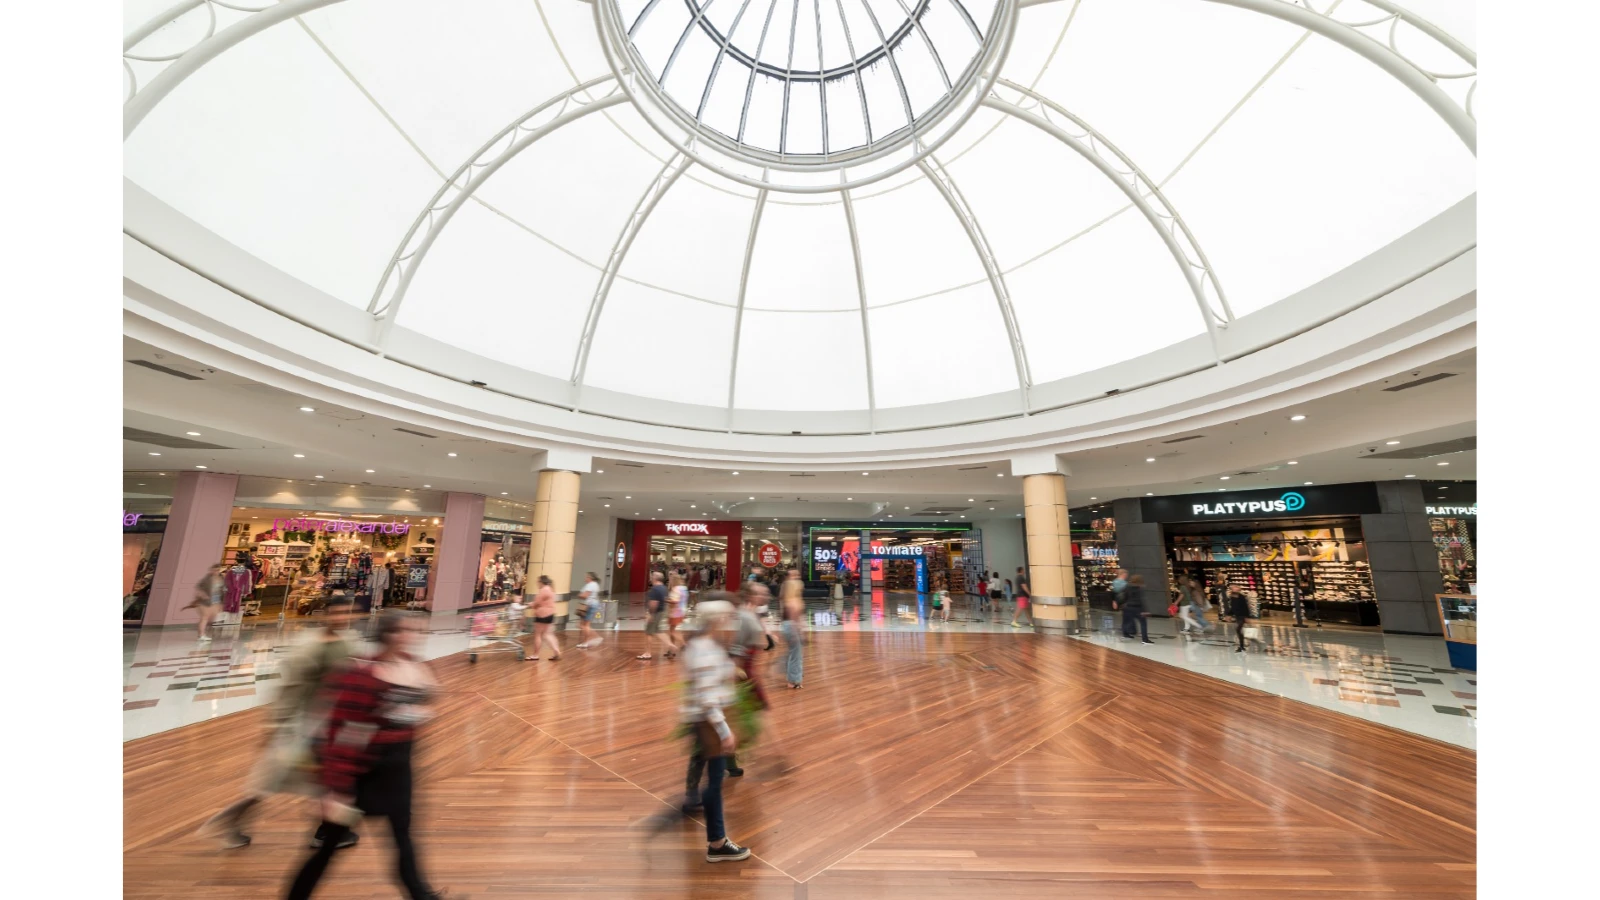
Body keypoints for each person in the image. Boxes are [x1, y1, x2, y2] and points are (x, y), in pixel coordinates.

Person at [285, 611, 458, 900]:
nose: (412, 635)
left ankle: (422, 895)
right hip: (363, 771)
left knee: (403, 838)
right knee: (329, 849)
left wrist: (419, 709)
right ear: (388, 634)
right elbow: (346, 734)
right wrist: (335, 789)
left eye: (414, 630)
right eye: (405, 630)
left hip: (398, 769)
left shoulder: (413, 666)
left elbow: (422, 703)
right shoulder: (363, 674)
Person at [201, 597, 360, 850]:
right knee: (269, 782)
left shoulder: (348, 642)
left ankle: (330, 830)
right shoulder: (309, 648)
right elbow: (289, 689)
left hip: (326, 725)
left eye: (346, 613)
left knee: (317, 779)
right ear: (325, 615)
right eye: (337, 613)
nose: (342, 618)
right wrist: (274, 726)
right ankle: (229, 824)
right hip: (301, 728)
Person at [671, 597, 753, 862]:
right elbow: (707, 697)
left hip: (704, 720)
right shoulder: (705, 648)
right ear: (716, 620)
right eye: (727, 619)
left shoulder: (702, 645)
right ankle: (717, 842)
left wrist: (730, 669)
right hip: (709, 722)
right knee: (715, 782)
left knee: (714, 779)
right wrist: (724, 730)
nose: (730, 624)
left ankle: (715, 838)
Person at [779, 569, 805, 689]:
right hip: (791, 627)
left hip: (788, 626)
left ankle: (793, 678)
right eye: (794, 575)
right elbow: (794, 617)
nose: (797, 577)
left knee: (793, 653)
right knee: (795, 654)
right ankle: (794, 680)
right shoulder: (792, 600)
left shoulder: (789, 599)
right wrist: (798, 629)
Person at [638, 572, 672, 661]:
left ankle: (647, 653)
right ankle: (670, 644)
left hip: (655, 613)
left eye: (652, 576)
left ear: (655, 578)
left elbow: (653, 603)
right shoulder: (664, 588)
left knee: (649, 632)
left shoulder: (655, 589)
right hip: (661, 611)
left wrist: (650, 614)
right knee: (657, 630)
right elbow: (665, 600)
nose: (651, 578)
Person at [525, 575, 561, 661]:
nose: (537, 584)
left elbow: (537, 603)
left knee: (538, 635)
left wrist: (530, 604)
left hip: (542, 615)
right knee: (548, 634)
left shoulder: (543, 590)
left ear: (541, 582)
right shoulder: (551, 589)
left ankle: (535, 654)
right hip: (550, 614)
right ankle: (556, 651)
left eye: (538, 582)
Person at [187, 563, 225, 641]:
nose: (216, 571)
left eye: (218, 570)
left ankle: (202, 633)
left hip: (215, 601)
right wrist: (203, 594)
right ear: (211, 570)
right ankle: (201, 635)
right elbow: (198, 587)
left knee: (210, 618)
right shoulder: (207, 578)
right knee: (204, 618)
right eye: (215, 570)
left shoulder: (220, 578)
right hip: (205, 602)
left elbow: (222, 590)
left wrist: (221, 602)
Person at [1118, 574, 1151, 644]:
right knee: (1143, 623)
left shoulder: (1127, 586)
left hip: (1128, 607)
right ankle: (1145, 639)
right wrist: (1145, 610)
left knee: (1125, 622)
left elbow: (1123, 595)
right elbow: (1142, 599)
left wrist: (1122, 604)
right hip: (1138, 608)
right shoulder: (1140, 588)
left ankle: (1126, 634)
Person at [575, 572, 603, 650]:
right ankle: (586, 641)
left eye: (587, 577)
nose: (585, 578)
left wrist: (579, 595)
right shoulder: (595, 585)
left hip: (589, 605)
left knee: (585, 625)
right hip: (591, 604)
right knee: (582, 624)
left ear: (590, 578)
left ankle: (591, 639)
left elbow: (585, 595)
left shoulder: (591, 585)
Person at [1227, 584, 1254, 653]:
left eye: (1235, 587)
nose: (1234, 588)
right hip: (1237, 616)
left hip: (1242, 616)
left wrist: (1247, 617)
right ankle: (1242, 646)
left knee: (1238, 629)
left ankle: (1242, 647)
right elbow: (1233, 607)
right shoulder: (1232, 597)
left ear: (1238, 589)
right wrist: (1229, 615)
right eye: (1233, 587)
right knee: (1239, 631)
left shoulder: (1241, 597)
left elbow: (1245, 607)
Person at [668, 572, 690, 650]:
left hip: (675, 612)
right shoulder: (684, 588)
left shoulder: (675, 589)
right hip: (682, 610)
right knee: (672, 629)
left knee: (672, 631)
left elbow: (674, 602)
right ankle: (671, 650)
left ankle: (684, 644)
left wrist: (667, 601)